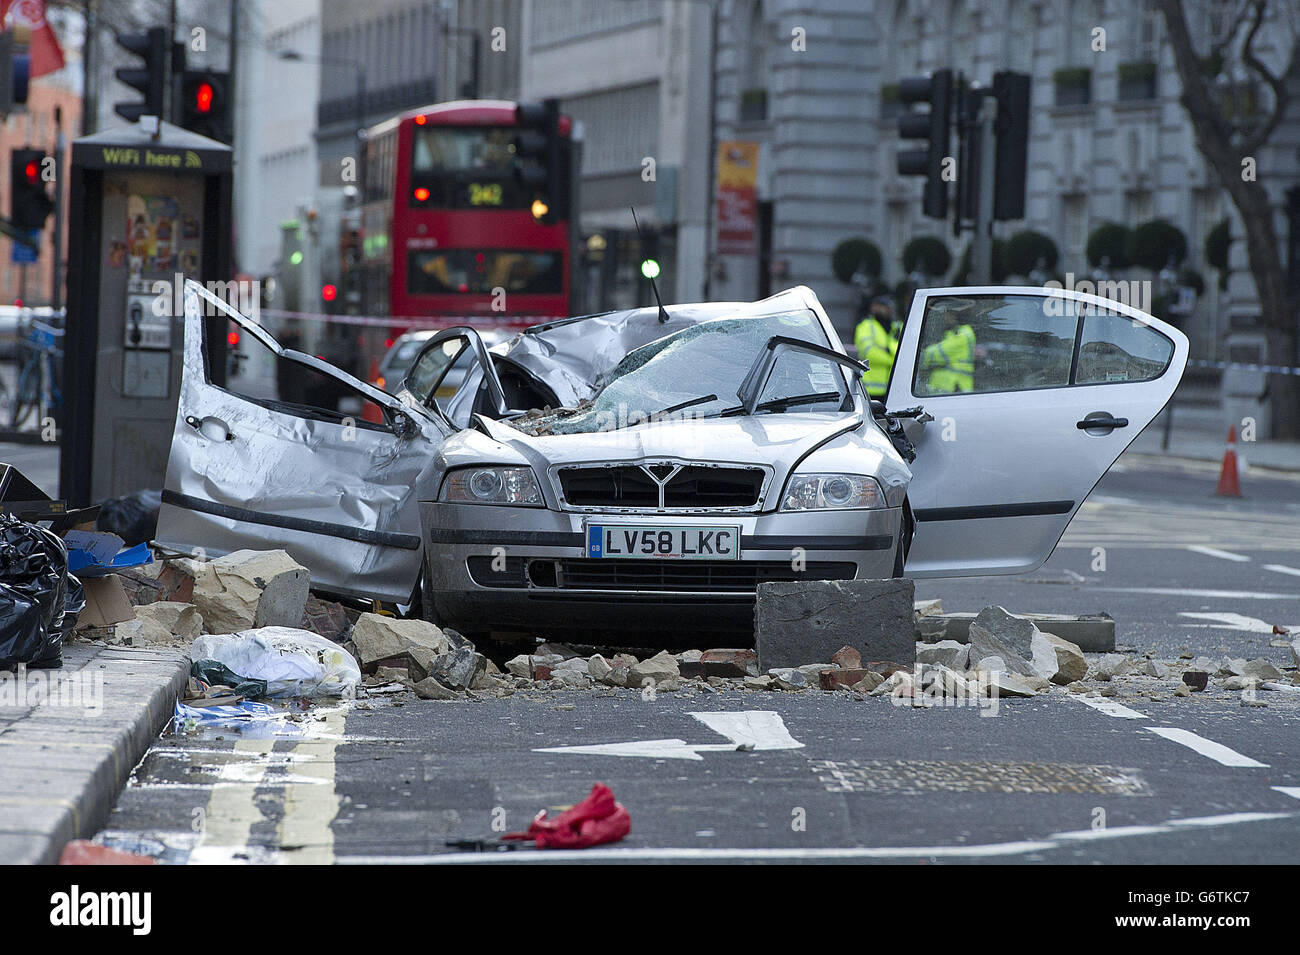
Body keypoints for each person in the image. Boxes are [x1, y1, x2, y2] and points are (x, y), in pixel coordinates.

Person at [920, 301, 976, 394]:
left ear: (955, 314)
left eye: (947, 313)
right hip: (943, 392)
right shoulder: (952, 333)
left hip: (955, 391)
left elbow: (936, 354)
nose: (944, 317)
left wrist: (924, 353)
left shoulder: (964, 334)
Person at [854, 295, 900, 400]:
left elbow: (905, 352)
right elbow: (869, 353)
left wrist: (887, 349)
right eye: (882, 306)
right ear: (873, 307)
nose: (887, 309)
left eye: (888, 306)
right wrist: (894, 360)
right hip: (871, 390)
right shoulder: (866, 326)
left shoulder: (897, 326)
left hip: (894, 389)